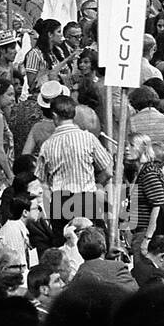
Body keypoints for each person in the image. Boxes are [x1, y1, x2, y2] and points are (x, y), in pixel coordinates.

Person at [37, 95, 112, 231]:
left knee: (64, 247)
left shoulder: (47, 146)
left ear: (54, 115)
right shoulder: (88, 138)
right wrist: (94, 184)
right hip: (87, 199)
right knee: (93, 243)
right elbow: (107, 171)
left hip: (60, 202)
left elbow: (43, 184)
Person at [67, 227, 137, 296]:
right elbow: (134, 294)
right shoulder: (118, 268)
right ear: (104, 246)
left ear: (79, 250)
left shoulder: (77, 277)